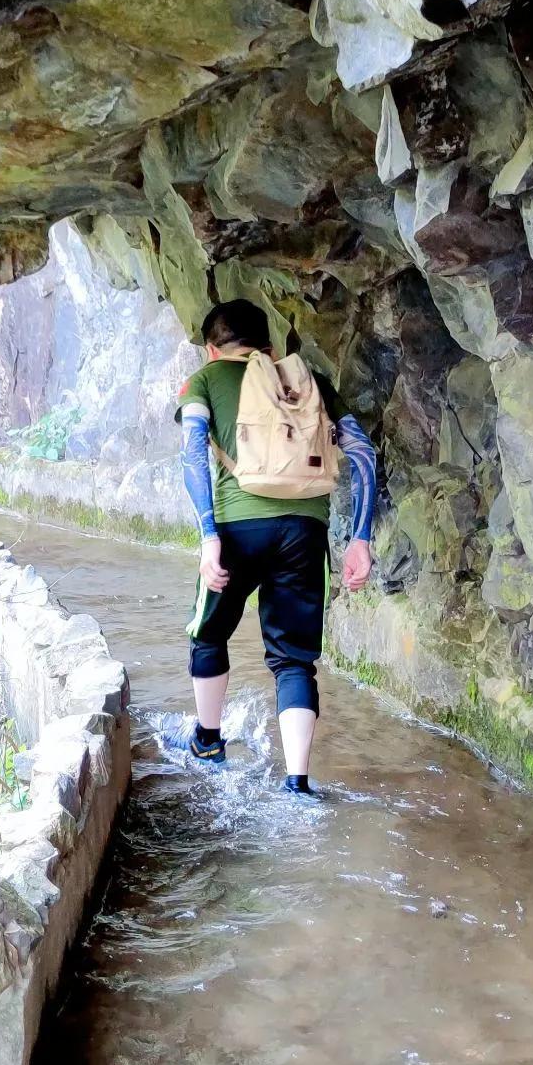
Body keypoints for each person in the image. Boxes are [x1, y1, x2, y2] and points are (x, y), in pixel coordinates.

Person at [178, 297, 380, 798]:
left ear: (211, 349)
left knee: (209, 635)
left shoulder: (204, 381)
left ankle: (207, 741)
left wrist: (208, 538)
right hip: (306, 533)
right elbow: (362, 453)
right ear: (268, 347)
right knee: (293, 661)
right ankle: (297, 782)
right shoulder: (308, 381)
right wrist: (360, 539)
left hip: (236, 532)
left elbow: (192, 456)